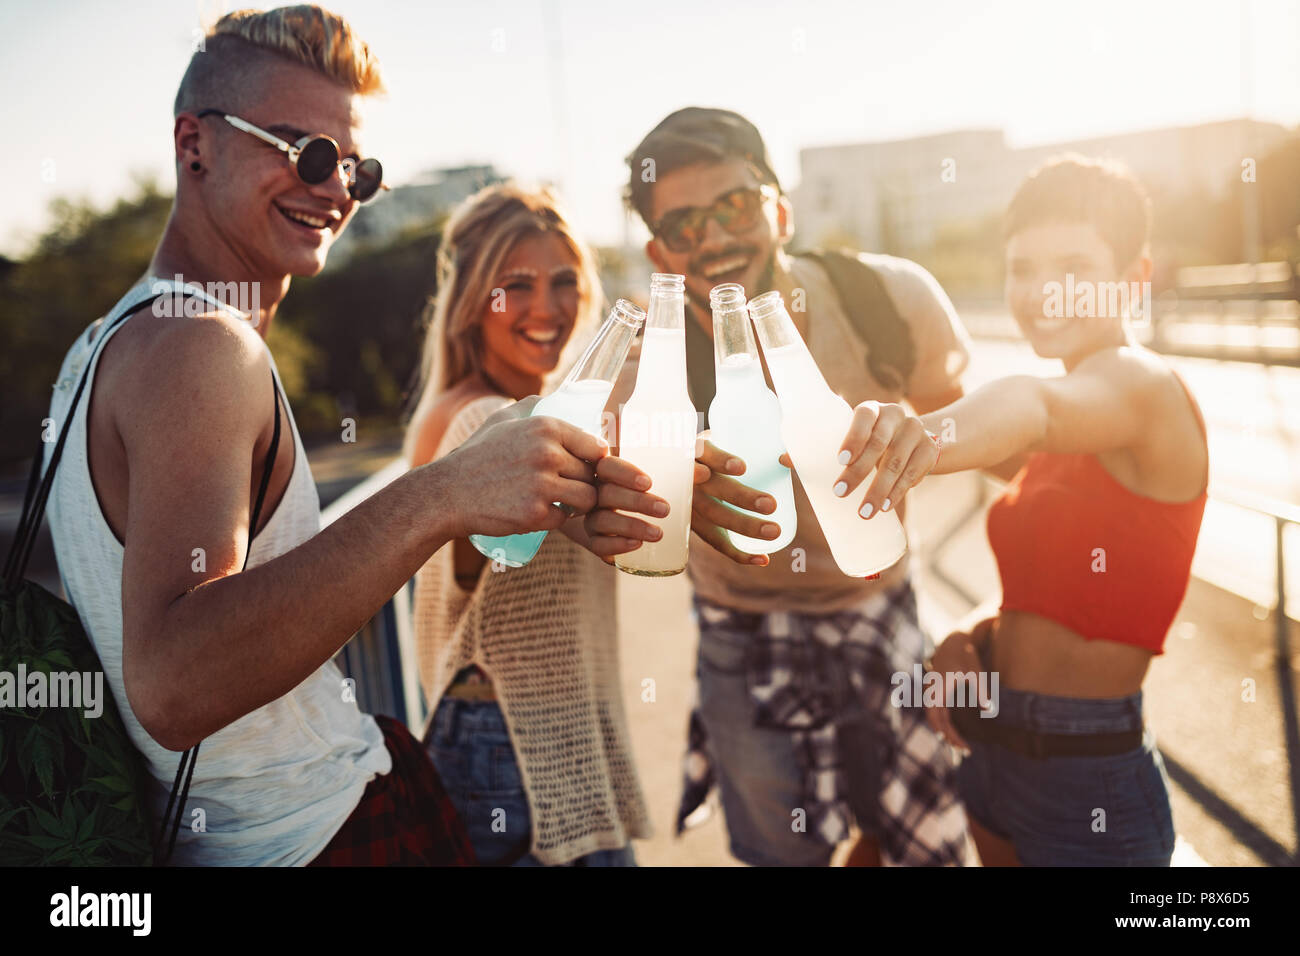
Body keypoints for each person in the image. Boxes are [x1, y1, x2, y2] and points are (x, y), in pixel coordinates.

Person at [41, 5, 619, 866]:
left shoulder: (103, 343)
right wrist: (444, 491)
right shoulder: (202, 346)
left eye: (359, 167)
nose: (336, 187)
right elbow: (172, 680)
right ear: (193, 143)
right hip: (312, 838)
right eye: (304, 152)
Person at [600, 107, 974, 866]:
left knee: (914, 846)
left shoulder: (888, 300)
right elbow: (607, 510)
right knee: (782, 857)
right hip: (743, 635)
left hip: (883, 609)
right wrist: (666, 505)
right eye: (684, 226)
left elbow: (975, 429)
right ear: (659, 253)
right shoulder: (642, 365)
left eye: (735, 206)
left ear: (779, 207)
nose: (715, 238)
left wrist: (991, 615)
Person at [835, 155, 1206, 866]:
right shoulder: (1072, 432)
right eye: (1022, 268)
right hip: (992, 753)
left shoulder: (1143, 388)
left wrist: (923, 436)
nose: (1043, 292)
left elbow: (1031, 405)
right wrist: (975, 636)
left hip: (1086, 777)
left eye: (1074, 265)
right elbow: (1055, 591)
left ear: (1134, 279)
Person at [406, 183, 663, 866]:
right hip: (510, 742)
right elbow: (490, 543)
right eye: (514, 285)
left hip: (532, 730)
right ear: (472, 301)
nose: (547, 307)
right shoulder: (478, 421)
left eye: (563, 281)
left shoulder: (529, 410)